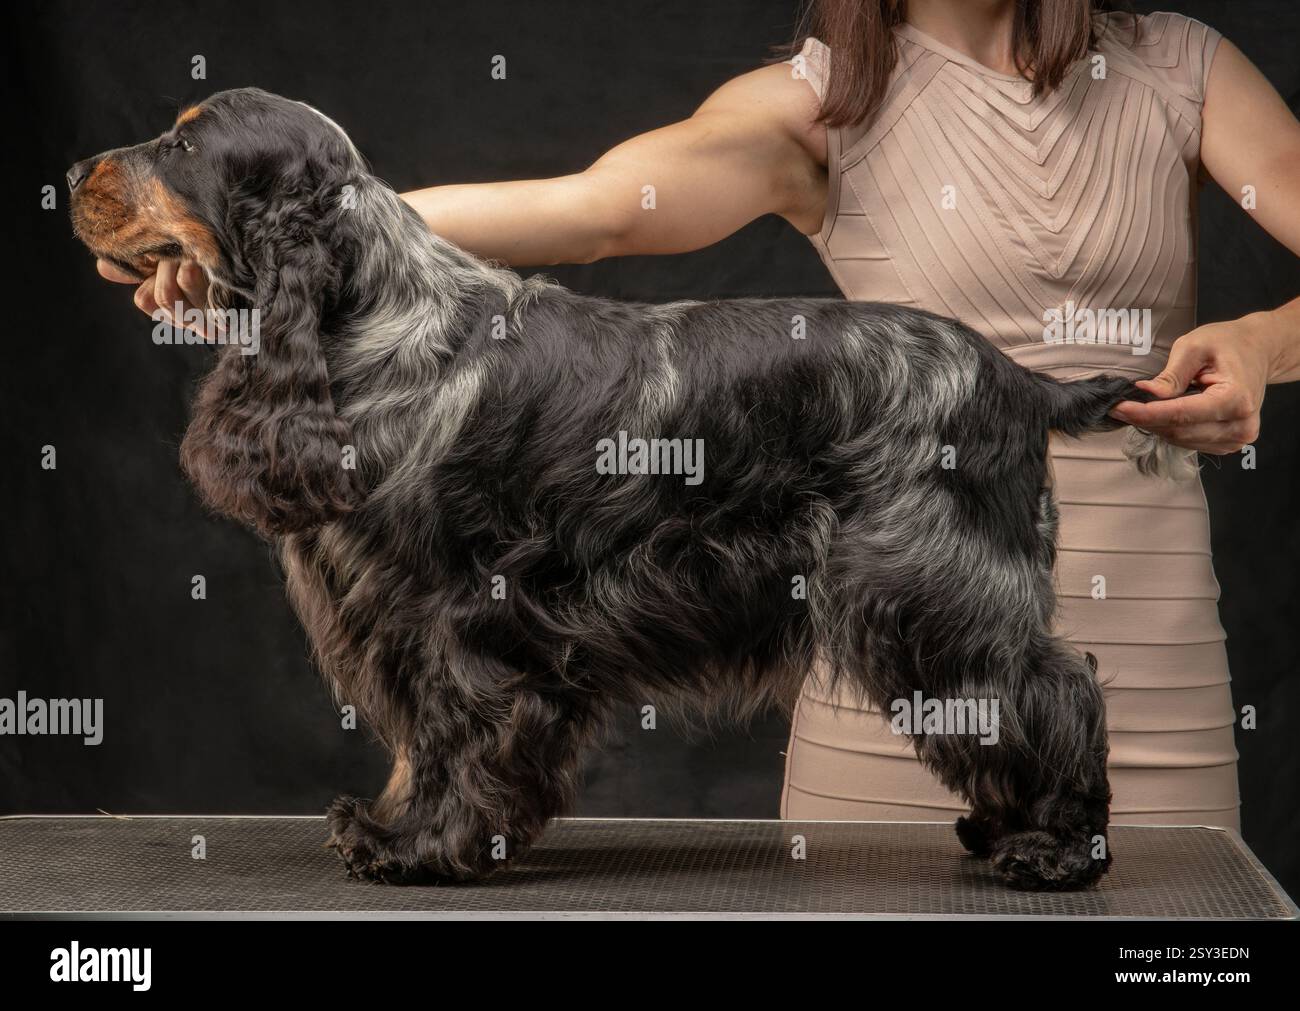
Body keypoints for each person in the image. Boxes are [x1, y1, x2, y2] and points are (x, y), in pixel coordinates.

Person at [98, 0, 1300, 832]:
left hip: (1158, 661)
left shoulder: (1177, 69)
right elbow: (596, 208)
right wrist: (291, 233)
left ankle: (1055, 781)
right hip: (882, 705)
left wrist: (1262, 340)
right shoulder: (822, 99)